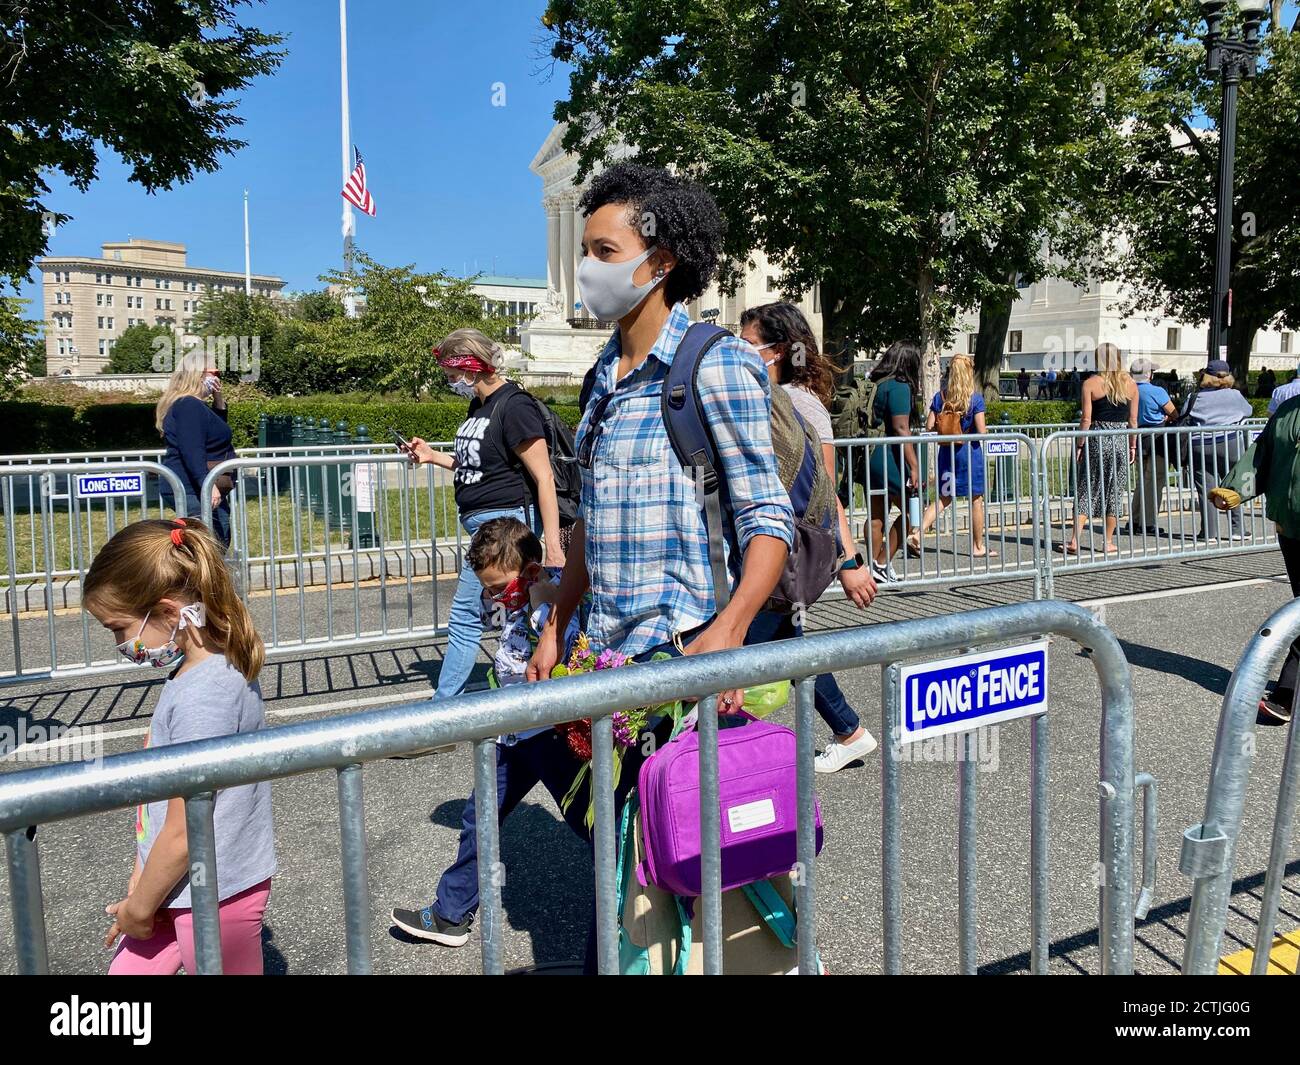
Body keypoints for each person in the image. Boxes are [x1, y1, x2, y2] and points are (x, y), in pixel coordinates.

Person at [525, 162, 793, 969]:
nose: (587, 268)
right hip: (608, 678)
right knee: (636, 886)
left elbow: (767, 518)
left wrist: (729, 633)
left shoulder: (716, 363)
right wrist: (557, 621)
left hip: (685, 676)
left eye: (604, 251)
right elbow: (591, 521)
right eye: (585, 249)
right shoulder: (601, 379)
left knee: (696, 890)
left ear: (661, 261)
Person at [83, 517, 274, 975]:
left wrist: (138, 908)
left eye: (118, 628)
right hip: (171, 884)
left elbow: (186, 830)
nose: (121, 644)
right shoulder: (195, 673)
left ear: (169, 613)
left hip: (214, 891)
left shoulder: (204, 696)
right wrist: (142, 881)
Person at [391, 518, 583, 946]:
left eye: (498, 588)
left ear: (530, 572)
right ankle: (450, 914)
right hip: (511, 737)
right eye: (487, 590)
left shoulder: (550, 603)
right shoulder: (513, 602)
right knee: (478, 818)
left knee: (591, 820)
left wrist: (542, 603)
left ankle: (639, 895)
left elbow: (568, 643)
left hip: (552, 737)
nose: (493, 598)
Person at [738, 301, 879, 773]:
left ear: (776, 351)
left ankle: (721, 763)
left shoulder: (797, 404)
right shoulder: (777, 395)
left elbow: (826, 494)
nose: (739, 350)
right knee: (789, 648)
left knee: (734, 655)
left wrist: (849, 562)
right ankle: (849, 732)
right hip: (770, 552)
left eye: (747, 343)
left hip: (782, 554)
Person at [402, 330, 566, 702]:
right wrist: (431, 456)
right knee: (516, 611)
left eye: (451, 375)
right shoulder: (479, 407)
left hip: (506, 524)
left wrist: (553, 547)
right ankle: (535, 686)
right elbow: (475, 465)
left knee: (466, 614)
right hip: (485, 525)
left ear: (472, 367)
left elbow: (543, 476)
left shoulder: (515, 405)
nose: (450, 383)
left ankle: (445, 708)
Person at [1214, 393, 1300, 723]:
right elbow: (1261, 455)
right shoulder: (1289, 412)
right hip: (1290, 527)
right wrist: (1235, 488)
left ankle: (1288, 692)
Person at [908, 353, 993, 558]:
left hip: (947, 453)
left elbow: (929, 425)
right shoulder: (975, 399)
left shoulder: (940, 397)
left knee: (944, 498)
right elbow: (981, 431)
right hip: (969, 454)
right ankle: (978, 546)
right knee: (976, 499)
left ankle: (918, 533)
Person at [1063, 344, 1138, 555]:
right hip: (1120, 439)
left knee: (1087, 487)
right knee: (1115, 490)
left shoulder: (1091, 383)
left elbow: (1086, 419)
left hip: (1097, 437)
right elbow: (1133, 421)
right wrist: (1132, 445)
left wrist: (1080, 444)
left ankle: (1075, 540)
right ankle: (1108, 542)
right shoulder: (1131, 384)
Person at [156, 350, 236, 548]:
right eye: (214, 373)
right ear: (197, 374)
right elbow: (192, 449)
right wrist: (207, 485)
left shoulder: (195, 405)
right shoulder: (189, 405)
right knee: (210, 544)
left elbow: (216, 432)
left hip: (198, 485)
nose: (217, 378)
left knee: (217, 539)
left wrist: (218, 398)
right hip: (192, 487)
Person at [863, 341, 922, 583]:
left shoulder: (877, 382)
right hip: (887, 456)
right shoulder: (899, 385)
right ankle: (881, 562)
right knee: (913, 511)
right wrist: (914, 465)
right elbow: (900, 428)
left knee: (877, 514)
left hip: (869, 453)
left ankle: (874, 568)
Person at [1183, 360, 1253, 542]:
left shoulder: (1195, 397)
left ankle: (1209, 532)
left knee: (1206, 488)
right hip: (1229, 441)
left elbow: (1184, 414)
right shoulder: (1235, 395)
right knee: (1233, 484)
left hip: (1200, 443)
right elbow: (1248, 411)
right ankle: (1238, 529)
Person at [1129, 358, 1178, 536]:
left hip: (1137, 437)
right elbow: (1174, 413)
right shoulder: (1157, 391)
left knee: (1142, 480)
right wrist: (1166, 417)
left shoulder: (1128, 390)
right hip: (1157, 438)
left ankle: (1135, 520)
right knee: (1155, 481)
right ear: (1148, 374)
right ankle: (1148, 523)